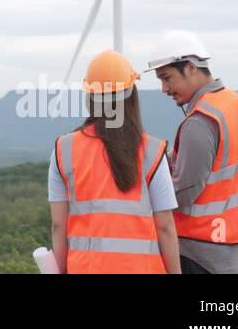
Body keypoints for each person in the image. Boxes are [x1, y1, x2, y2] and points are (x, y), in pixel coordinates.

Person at [48, 50, 182, 274]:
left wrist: (60, 270)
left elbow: (59, 225)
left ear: (90, 96)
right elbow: (165, 226)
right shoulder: (152, 151)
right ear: (131, 96)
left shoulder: (64, 149)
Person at [144, 31, 238, 274]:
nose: (164, 88)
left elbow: (183, 193)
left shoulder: (200, 121)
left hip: (199, 251)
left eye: (167, 78)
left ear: (190, 67)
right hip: (232, 243)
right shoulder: (234, 102)